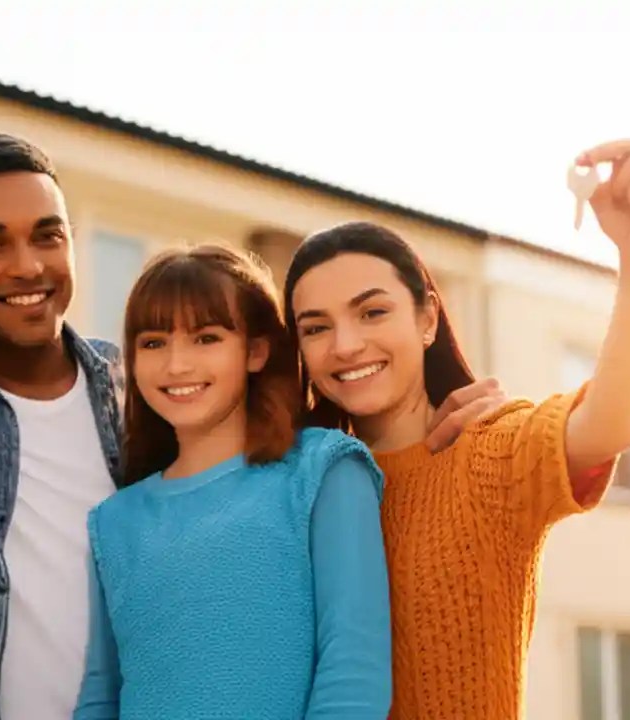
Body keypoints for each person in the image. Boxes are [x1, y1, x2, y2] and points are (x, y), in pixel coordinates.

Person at [0, 22, 503, 720]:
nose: (27, 265)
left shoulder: (138, 388)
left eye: (48, 235)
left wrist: (432, 414)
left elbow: (273, 478)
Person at [282, 140, 630, 720]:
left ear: (428, 318)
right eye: (316, 328)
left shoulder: (488, 452)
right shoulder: (296, 489)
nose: (345, 345)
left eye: (372, 312)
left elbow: (610, 423)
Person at [75, 245, 392, 719]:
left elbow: (354, 674)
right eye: (154, 342)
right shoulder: (114, 520)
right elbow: (101, 696)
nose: (177, 365)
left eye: (206, 338)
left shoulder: (322, 469)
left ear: (256, 351)